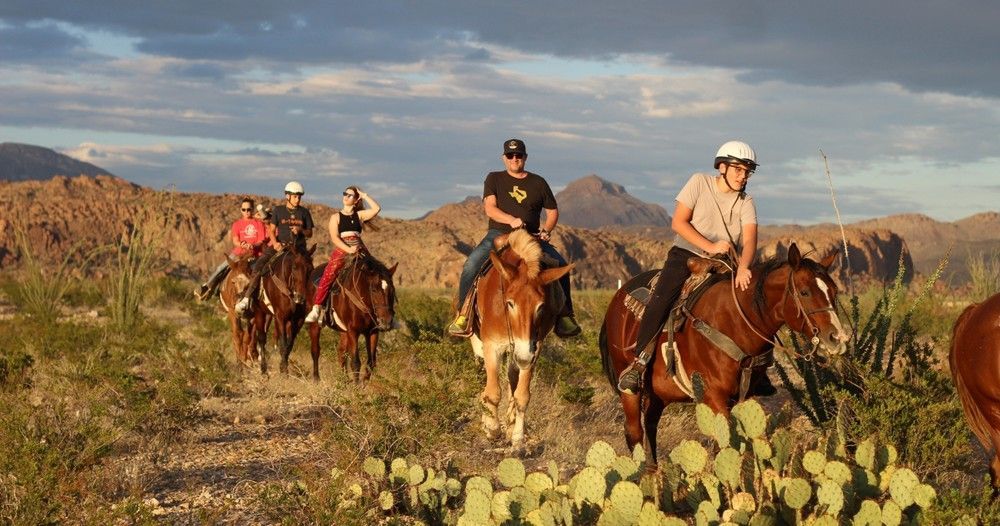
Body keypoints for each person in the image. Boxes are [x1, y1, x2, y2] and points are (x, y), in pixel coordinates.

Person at [617, 140, 775, 396]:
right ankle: (639, 362)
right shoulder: (699, 182)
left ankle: (759, 370)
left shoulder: (746, 201)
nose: (743, 176)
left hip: (725, 263)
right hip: (686, 255)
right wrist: (710, 246)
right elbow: (679, 223)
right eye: (738, 169)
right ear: (722, 167)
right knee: (661, 301)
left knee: (756, 300)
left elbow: (749, 240)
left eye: (747, 172)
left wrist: (744, 267)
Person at [447, 138, 581, 338]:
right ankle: (463, 314)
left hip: (530, 237)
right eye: (510, 155)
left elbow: (552, 212)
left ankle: (565, 316)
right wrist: (511, 220)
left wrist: (546, 230)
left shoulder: (538, 182)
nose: (514, 159)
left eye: (518, 155)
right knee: (471, 264)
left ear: (525, 157)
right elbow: (490, 208)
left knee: (560, 265)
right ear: (504, 158)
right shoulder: (494, 178)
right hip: (499, 234)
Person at [234, 181, 314, 315]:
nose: (298, 199)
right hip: (280, 246)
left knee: (308, 269)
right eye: (295, 196)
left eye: (299, 196)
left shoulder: (304, 212)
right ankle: (247, 297)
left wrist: (300, 230)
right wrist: (275, 243)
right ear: (287, 196)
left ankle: (314, 305)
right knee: (259, 265)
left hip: (298, 249)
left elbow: (310, 233)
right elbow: (271, 230)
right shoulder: (278, 211)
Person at [305, 186, 381, 323]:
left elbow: (376, 209)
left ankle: (384, 312)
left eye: (350, 195)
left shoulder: (359, 215)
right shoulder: (335, 217)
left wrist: (364, 195)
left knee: (378, 272)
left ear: (356, 200)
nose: (346, 196)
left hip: (360, 248)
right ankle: (317, 307)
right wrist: (348, 249)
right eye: (345, 194)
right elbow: (335, 238)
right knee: (329, 273)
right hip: (343, 248)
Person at [194, 197, 267, 300]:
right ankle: (207, 287)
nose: (246, 212)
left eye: (249, 209)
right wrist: (242, 244)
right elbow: (235, 240)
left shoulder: (259, 224)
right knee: (221, 268)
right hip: (238, 253)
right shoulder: (237, 224)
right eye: (244, 209)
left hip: (255, 255)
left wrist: (253, 245)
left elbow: (261, 240)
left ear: (252, 209)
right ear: (241, 210)